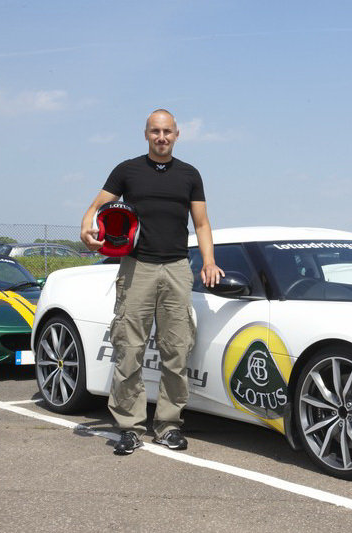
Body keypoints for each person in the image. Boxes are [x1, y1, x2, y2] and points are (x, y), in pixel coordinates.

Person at [80, 109, 223, 455]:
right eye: (155, 131)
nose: (162, 137)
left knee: (176, 350)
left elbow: (201, 224)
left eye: (167, 132)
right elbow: (97, 205)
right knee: (129, 349)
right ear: (146, 134)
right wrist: (86, 229)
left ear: (177, 134)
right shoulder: (127, 170)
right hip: (136, 267)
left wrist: (209, 261)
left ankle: (169, 425)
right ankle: (129, 427)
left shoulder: (190, 175)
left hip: (176, 267)